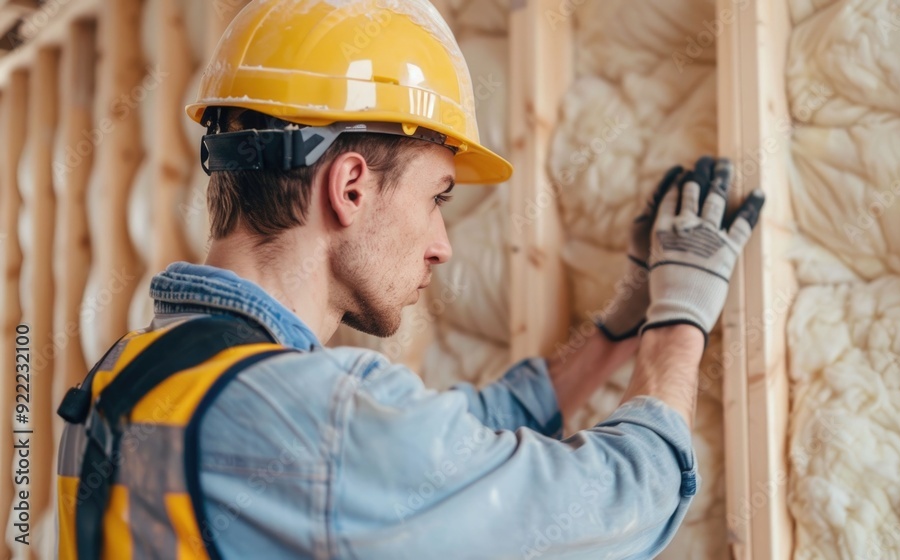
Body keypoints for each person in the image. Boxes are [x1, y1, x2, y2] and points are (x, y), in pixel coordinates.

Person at [55, 1, 765, 558]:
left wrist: (616, 328)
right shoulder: (311, 417)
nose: (442, 246)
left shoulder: (126, 374)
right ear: (352, 187)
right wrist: (680, 318)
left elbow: (437, 451)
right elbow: (612, 503)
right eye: (437, 198)